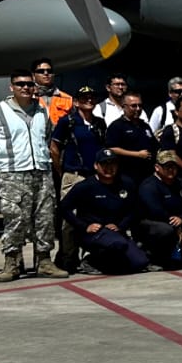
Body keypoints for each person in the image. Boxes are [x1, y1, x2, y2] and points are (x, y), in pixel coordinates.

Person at [0, 69, 69, 282]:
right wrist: (5, 162)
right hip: (14, 175)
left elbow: (47, 136)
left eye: (29, 84)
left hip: (41, 173)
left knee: (45, 218)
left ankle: (44, 261)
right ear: (11, 87)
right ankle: (12, 262)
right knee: (15, 220)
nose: (25, 88)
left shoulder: (41, 110)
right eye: (20, 84)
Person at [58, 149, 150, 275]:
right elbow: (64, 208)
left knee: (140, 262)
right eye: (104, 164)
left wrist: (121, 226)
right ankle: (90, 260)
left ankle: (108, 261)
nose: (109, 168)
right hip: (94, 233)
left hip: (116, 231)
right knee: (118, 245)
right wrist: (84, 226)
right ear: (96, 166)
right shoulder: (85, 186)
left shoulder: (126, 183)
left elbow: (136, 209)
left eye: (113, 164)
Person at [49, 84, 108, 271]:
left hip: (94, 177)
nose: (88, 101)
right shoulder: (68, 121)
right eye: (84, 98)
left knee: (94, 218)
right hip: (73, 175)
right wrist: (61, 171)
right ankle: (68, 257)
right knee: (70, 220)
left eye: (91, 97)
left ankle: (90, 257)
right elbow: (54, 147)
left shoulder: (100, 123)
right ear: (76, 102)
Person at [138, 150, 182, 268]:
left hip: (178, 219)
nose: (171, 169)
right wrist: (176, 223)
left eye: (174, 166)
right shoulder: (148, 186)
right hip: (152, 223)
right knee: (166, 230)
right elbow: (156, 210)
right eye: (167, 166)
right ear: (157, 167)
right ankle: (153, 255)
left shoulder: (181, 182)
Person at [105, 92, 156, 187]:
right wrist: (137, 154)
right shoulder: (117, 126)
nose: (138, 109)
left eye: (140, 106)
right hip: (127, 175)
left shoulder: (145, 125)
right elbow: (111, 149)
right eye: (134, 106)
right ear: (124, 107)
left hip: (147, 175)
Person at [31, 59, 73, 125]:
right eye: (41, 71)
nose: (46, 73)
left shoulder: (67, 98)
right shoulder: (28, 97)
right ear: (33, 76)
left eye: (49, 71)